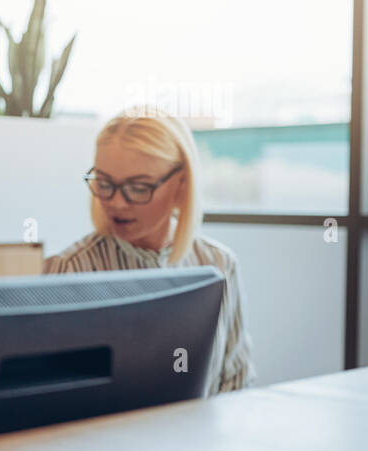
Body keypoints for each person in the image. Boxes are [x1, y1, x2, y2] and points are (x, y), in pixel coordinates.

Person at [43, 106, 253, 395]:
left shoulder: (219, 265)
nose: (116, 202)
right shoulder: (69, 269)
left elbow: (236, 381)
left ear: (181, 183)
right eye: (104, 184)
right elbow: (51, 394)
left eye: (138, 188)